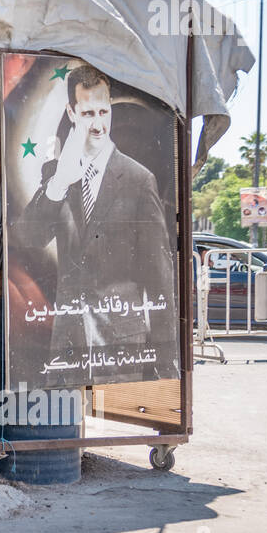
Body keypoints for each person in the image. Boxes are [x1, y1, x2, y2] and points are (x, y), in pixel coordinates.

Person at [17, 64, 175, 358]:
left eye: (103, 112)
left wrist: (166, 357)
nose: (99, 124)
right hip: (68, 341)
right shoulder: (56, 174)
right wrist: (60, 182)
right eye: (88, 114)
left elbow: (159, 275)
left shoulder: (139, 180)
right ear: (72, 113)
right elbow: (29, 237)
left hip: (123, 342)